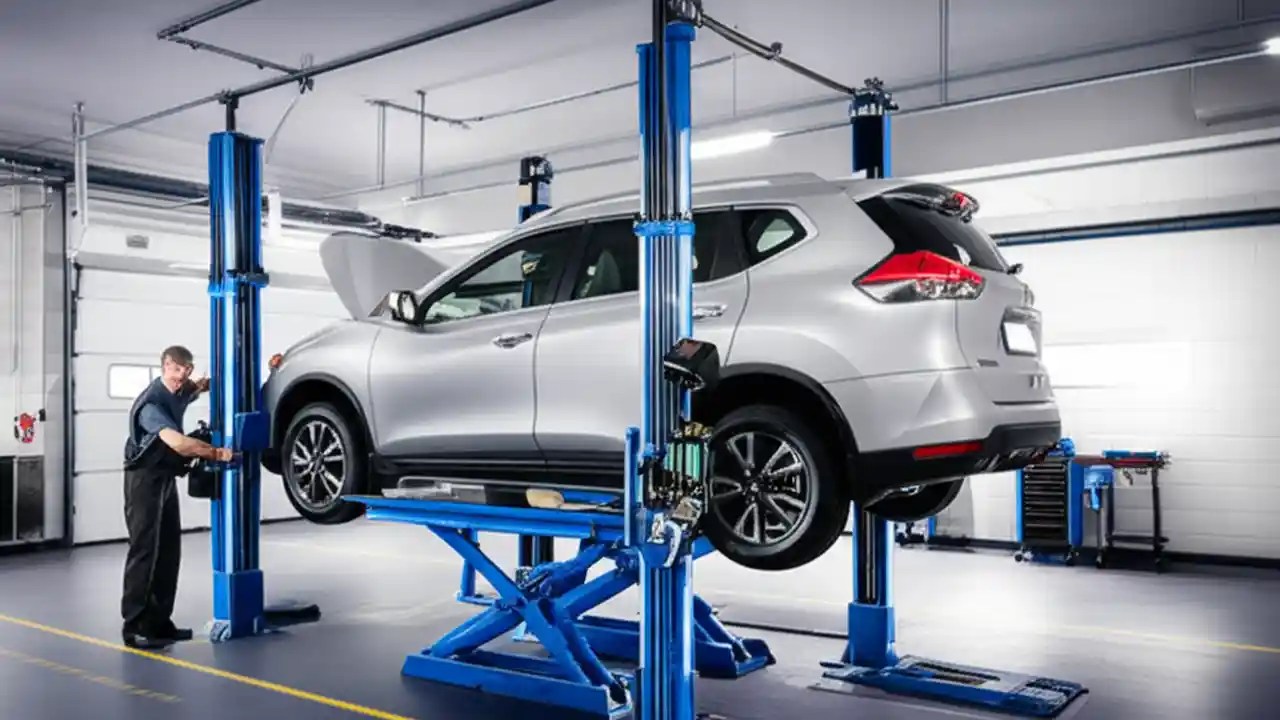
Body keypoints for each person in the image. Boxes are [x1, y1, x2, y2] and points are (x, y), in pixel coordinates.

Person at [120, 345, 232, 649]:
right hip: (143, 479)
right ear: (165, 366)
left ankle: (159, 623)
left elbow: (193, 390)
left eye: (188, 369)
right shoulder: (151, 405)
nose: (183, 374)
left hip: (165, 477)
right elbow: (179, 444)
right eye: (178, 368)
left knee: (169, 549)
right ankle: (135, 627)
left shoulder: (179, 390)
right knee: (144, 550)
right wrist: (216, 452)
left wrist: (212, 382)